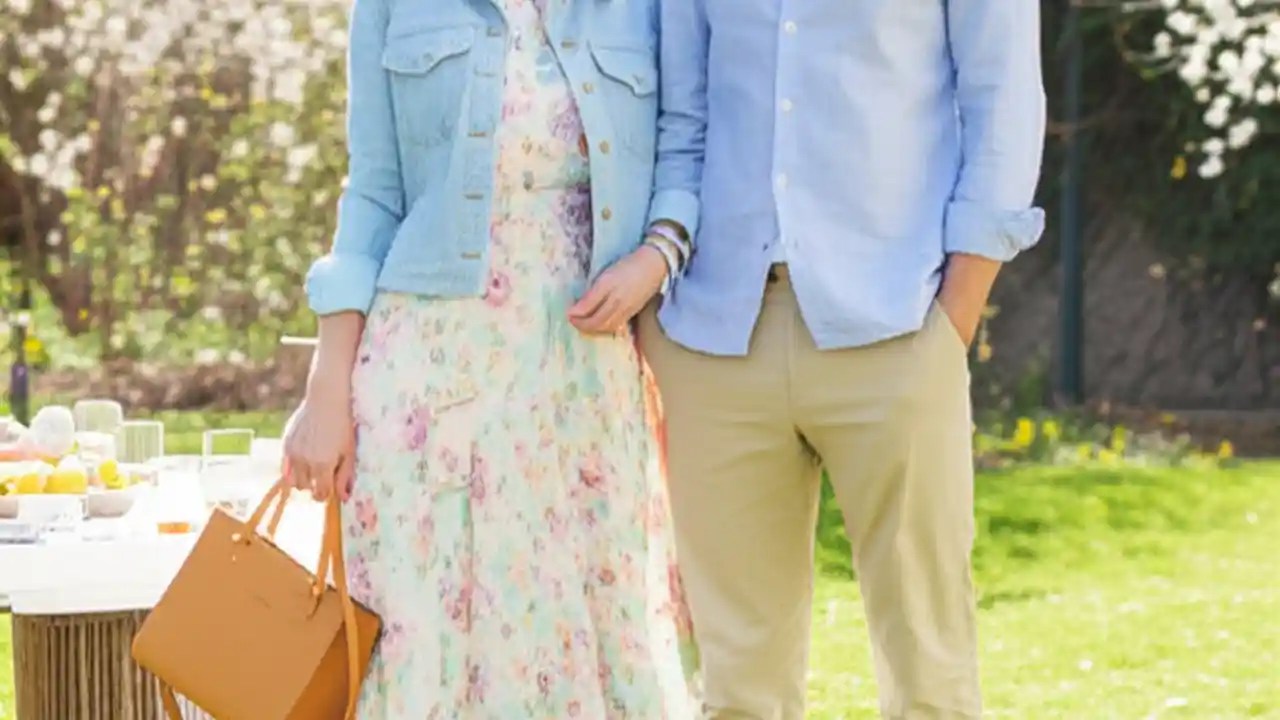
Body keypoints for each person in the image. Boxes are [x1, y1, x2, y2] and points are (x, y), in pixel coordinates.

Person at [282, 0, 697, 715]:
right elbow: (374, 192)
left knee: (582, 631)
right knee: (424, 641)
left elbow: (685, 146)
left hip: (580, 381)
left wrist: (657, 258)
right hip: (424, 380)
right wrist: (326, 390)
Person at [638, 2, 1046, 718]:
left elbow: (1004, 97)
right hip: (715, 336)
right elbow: (682, 117)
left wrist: (954, 314)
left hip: (898, 323)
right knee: (739, 691)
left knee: (930, 678)